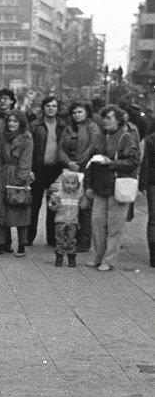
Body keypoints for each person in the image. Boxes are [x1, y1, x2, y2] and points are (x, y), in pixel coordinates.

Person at [84, 105, 140, 271]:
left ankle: (108, 260)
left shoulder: (126, 138)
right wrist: (88, 185)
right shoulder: (99, 137)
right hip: (99, 187)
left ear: (118, 119)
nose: (105, 121)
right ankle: (97, 256)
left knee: (115, 226)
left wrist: (112, 163)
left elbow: (134, 162)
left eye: (109, 117)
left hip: (118, 187)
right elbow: (89, 163)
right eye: (104, 118)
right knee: (97, 223)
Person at [59, 101, 100, 253]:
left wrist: (78, 162)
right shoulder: (68, 128)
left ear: (87, 113)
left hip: (87, 170)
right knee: (70, 204)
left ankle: (84, 241)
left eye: (80, 112)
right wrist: (69, 162)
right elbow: (60, 147)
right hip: (70, 171)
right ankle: (70, 239)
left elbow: (92, 148)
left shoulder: (93, 128)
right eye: (75, 112)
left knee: (85, 207)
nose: (77, 115)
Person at [0, 112, 33, 257]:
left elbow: (26, 161)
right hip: (3, 175)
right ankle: (1, 243)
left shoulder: (26, 138)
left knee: (19, 209)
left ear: (21, 123)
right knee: (1, 210)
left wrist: (20, 179)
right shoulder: (3, 137)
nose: (12, 124)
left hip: (18, 175)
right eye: (10, 121)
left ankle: (21, 245)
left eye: (15, 121)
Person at [28, 96, 66, 246]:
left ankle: (52, 238)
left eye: (54, 106)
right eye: (48, 106)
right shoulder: (35, 125)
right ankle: (29, 236)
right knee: (34, 204)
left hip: (55, 170)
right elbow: (30, 149)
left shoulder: (63, 126)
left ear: (57, 109)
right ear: (43, 108)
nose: (51, 108)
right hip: (38, 169)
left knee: (53, 204)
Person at [48, 171, 84, 267]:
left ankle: (71, 258)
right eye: (67, 183)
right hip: (60, 221)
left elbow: (83, 206)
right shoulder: (58, 195)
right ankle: (59, 257)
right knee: (59, 240)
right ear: (63, 183)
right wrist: (53, 203)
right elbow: (52, 208)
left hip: (72, 222)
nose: (69, 186)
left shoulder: (78, 196)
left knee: (71, 240)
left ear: (77, 184)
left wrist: (87, 198)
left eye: (73, 183)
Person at [141, 125, 155, 267]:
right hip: (153, 183)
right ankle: (153, 254)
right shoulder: (152, 140)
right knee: (154, 218)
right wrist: (143, 184)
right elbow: (146, 163)